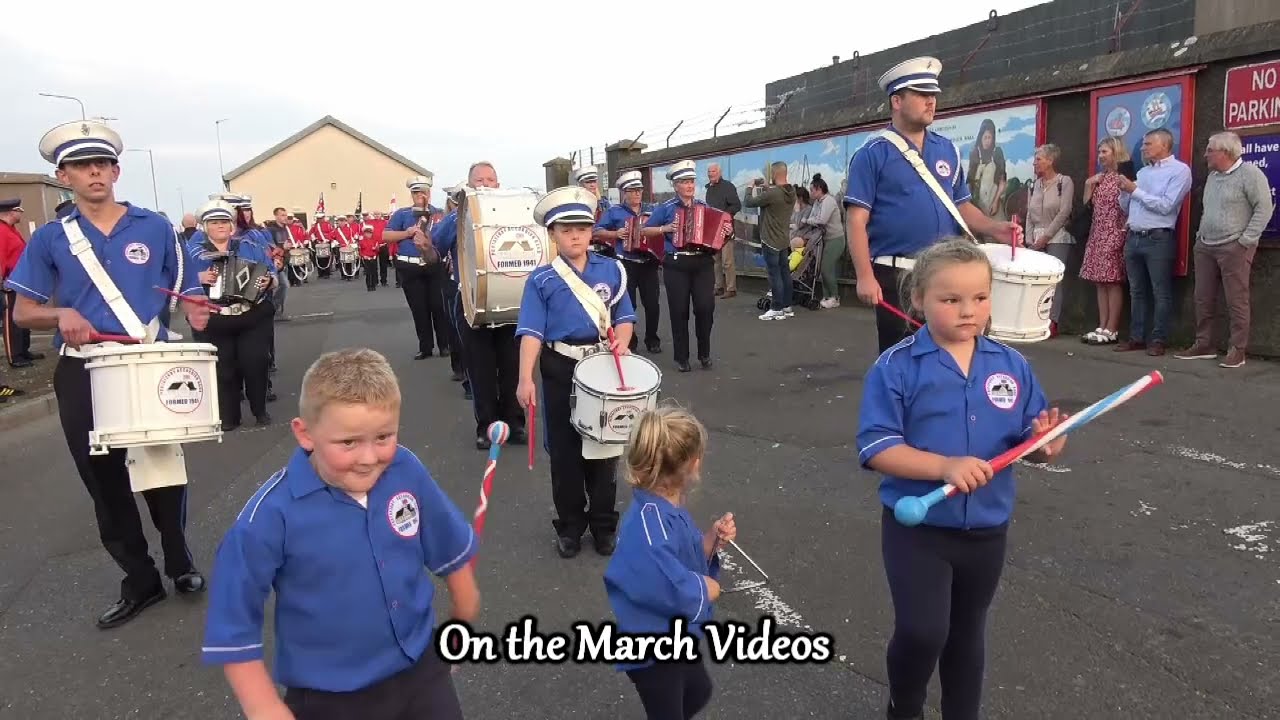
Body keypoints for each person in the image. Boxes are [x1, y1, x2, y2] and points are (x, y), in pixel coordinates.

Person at [5, 120, 212, 628]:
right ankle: (140, 579)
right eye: (81, 166)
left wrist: (198, 311)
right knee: (104, 478)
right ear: (64, 177)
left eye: (102, 164)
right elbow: (23, 313)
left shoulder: (155, 227)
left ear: (116, 172)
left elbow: (187, 289)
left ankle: (179, 561)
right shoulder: (52, 237)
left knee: (162, 467)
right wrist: (60, 314)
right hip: (84, 369)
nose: (94, 173)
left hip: (147, 362)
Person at [202, 348, 480, 720]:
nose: (369, 458)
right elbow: (233, 618)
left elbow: (450, 548)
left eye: (383, 437)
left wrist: (462, 621)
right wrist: (264, 706)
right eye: (348, 442)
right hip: (330, 697)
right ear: (305, 433)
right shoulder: (268, 515)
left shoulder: (405, 469)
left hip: (423, 671)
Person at [856, 238, 1069, 720]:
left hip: (987, 530)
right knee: (923, 631)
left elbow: (1031, 439)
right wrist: (945, 467)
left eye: (980, 297)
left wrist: (1045, 445)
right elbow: (876, 448)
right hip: (919, 531)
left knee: (967, 632)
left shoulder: (1011, 365)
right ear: (918, 299)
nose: (968, 310)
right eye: (950, 299)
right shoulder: (896, 366)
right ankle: (904, 706)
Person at [844, 57, 1018, 353]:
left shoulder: (947, 149)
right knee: (903, 357)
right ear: (897, 101)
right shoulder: (872, 154)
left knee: (953, 352)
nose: (931, 102)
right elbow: (856, 220)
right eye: (922, 95)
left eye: (933, 95)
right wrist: (864, 276)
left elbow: (961, 205)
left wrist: (995, 228)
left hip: (944, 270)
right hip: (896, 273)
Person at [514, 186, 636, 558]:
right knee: (565, 450)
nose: (575, 236)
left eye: (582, 228)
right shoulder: (541, 279)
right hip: (560, 367)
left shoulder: (611, 270)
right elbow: (531, 332)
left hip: (602, 365)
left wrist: (623, 342)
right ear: (552, 234)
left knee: (604, 447)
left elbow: (624, 316)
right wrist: (525, 378)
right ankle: (569, 526)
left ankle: (603, 525)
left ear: (591, 230)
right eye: (566, 230)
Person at [603, 404, 736, 720]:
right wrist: (705, 588)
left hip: (673, 636)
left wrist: (710, 541)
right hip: (652, 648)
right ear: (693, 464)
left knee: (699, 691)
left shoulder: (667, 508)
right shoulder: (650, 526)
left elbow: (681, 557)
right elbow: (666, 581)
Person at [432, 161, 527, 450]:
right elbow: (436, 247)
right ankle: (486, 426)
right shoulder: (458, 216)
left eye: (490, 180)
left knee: (512, 367)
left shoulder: (512, 212)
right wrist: (425, 246)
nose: (485, 185)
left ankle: (514, 423)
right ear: (470, 184)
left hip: (509, 302)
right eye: (479, 180)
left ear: (498, 184)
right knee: (480, 369)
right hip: (471, 303)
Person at [1175, 131, 1273, 369]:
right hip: (1205, 245)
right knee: (1202, 297)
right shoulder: (1213, 177)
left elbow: (1264, 208)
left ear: (1226, 152)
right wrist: (1199, 237)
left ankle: (1237, 349)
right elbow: (1208, 209)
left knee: (1236, 300)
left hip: (1234, 246)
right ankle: (1204, 344)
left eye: (1210, 150)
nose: (1205, 155)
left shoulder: (1250, 174)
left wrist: (1246, 240)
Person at [189, 199, 278, 429]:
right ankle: (229, 417)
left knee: (256, 362)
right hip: (216, 318)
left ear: (231, 225)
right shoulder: (193, 253)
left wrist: (269, 281)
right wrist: (198, 278)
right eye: (214, 222)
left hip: (250, 314)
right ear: (205, 227)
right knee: (224, 370)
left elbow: (270, 269)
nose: (220, 226)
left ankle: (260, 410)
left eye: (224, 221)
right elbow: (178, 282)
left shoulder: (250, 246)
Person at [643, 160, 731, 372]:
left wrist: (726, 231)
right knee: (679, 311)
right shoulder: (665, 208)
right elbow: (645, 230)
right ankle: (681, 358)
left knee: (705, 308)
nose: (690, 185)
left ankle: (704, 353)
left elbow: (719, 232)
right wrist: (665, 228)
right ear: (675, 186)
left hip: (702, 262)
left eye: (691, 181)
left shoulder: (704, 207)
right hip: (676, 263)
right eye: (684, 182)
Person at [1114, 128, 1193, 357]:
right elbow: (1126, 206)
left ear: (1164, 145)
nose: (1143, 148)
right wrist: (1125, 191)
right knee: (1136, 291)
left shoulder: (1180, 171)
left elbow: (1166, 206)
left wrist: (1135, 190)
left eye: (1148, 144)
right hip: (1134, 236)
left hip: (1158, 238)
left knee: (1161, 292)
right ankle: (1136, 337)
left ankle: (1158, 339)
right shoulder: (1143, 172)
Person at [594, 170, 662, 353]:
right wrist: (615, 234)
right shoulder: (614, 211)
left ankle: (652, 338)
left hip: (649, 262)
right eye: (633, 191)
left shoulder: (652, 209)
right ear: (624, 193)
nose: (637, 194)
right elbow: (596, 231)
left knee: (652, 304)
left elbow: (663, 228)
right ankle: (630, 340)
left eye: (639, 190)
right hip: (626, 263)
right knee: (628, 305)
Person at [384, 176, 450, 360]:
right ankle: (425, 347)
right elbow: (386, 235)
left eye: (423, 192)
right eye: (415, 193)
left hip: (434, 266)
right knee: (419, 309)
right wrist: (406, 233)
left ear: (429, 193)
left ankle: (444, 345)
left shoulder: (439, 214)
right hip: (410, 266)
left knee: (438, 306)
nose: (419, 196)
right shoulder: (402, 214)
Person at [1078, 137, 1134, 345]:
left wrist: (1122, 233)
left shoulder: (1124, 177)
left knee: (1112, 280)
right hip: (1097, 232)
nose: (1101, 156)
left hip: (1115, 232)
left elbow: (1128, 206)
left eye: (1105, 152)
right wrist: (1089, 184)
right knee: (1099, 281)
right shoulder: (1101, 178)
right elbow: (1088, 206)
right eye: (1099, 152)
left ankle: (1112, 328)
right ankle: (1102, 326)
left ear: (1115, 152)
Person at [1025, 144, 1076, 338]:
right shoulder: (1034, 185)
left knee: (1055, 281)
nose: (1035, 163)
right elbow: (1029, 214)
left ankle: (1052, 321)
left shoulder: (1065, 182)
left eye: (1038, 159)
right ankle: (1034, 320)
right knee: (1036, 280)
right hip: (1036, 237)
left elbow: (1064, 211)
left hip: (1058, 236)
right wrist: (1029, 239)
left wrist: (1046, 236)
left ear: (1050, 160)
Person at [746, 162, 799, 321]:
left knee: (774, 274)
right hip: (783, 239)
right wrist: (768, 188)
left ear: (774, 174)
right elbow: (775, 197)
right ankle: (787, 307)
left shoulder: (773, 193)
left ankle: (776, 308)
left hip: (770, 240)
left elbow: (749, 202)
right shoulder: (791, 192)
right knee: (785, 273)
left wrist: (749, 187)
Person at [1, 198, 42, 367]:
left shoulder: (11, 229)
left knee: (22, 317)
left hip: (20, 280)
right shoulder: (2, 231)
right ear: (11, 212)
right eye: (19, 211)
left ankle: (24, 350)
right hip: (9, 281)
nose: (21, 214)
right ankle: (15, 356)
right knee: (11, 320)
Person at [798, 174, 845, 308]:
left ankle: (835, 297)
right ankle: (827, 296)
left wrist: (808, 220)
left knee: (826, 267)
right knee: (822, 269)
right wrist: (811, 220)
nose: (811, 193)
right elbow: (814, 217)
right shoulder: (817, 202)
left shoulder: (828, 201)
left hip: (835, 239)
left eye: (812, 190)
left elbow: (821, 220)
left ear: (819, 189)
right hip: (825, 239)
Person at [704, 163, 741, 298]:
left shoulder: (728, 187)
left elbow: (737, 205)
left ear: (719, 172)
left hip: (726, 228)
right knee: (715, 260)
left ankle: (731, 289)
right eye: (709, 172)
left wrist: (723, 216)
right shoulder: (709, 189)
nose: (711, 174)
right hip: (713, 229)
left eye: (713, 171)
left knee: (727, 261)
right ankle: (718, 286)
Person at [359, 222, 382, 292]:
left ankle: (373, 285)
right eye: (367, 233)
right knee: (368, 273)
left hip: (373, 257)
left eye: (370, 233)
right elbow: (360, 251)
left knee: (374, 272)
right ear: (364, 233)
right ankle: (369, 286)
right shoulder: (362, 241)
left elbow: (377, 250)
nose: (368, 234)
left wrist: (376, 249)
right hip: (366, 258)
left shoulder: (374, 240)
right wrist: (363, 256)